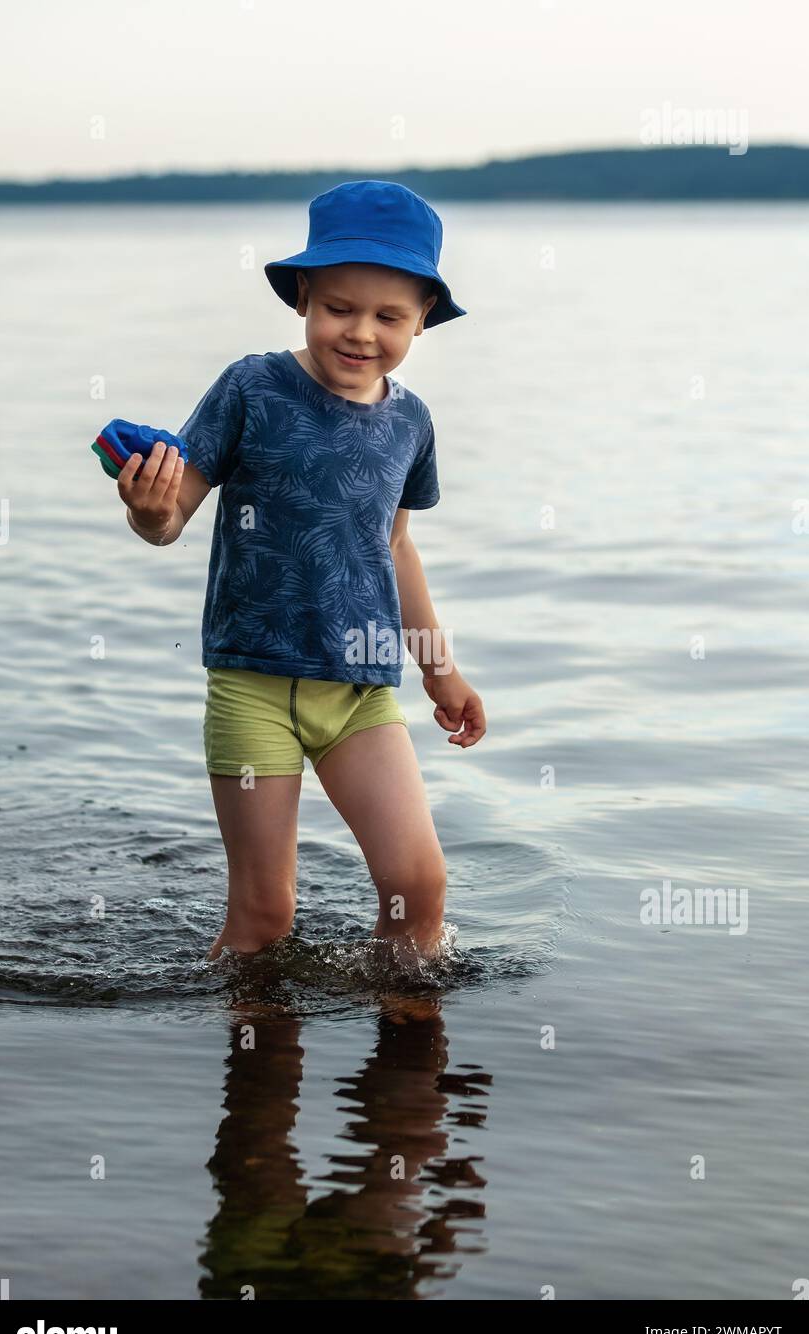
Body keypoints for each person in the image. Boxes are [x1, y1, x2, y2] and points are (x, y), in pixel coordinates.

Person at [118, 180, 487, 962]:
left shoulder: (411, 422)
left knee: (417, 890)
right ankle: (257, 1064)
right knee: (264, 916)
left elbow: (396, 548)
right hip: (254, 685)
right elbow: (169, 518)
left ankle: (404, 1052)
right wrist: (149, 510)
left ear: (424, 317)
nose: (360, 333)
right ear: (303, 299)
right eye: (339, 308)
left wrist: (440, 672)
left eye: (389, 316)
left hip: (360, 692)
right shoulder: (252, 387)